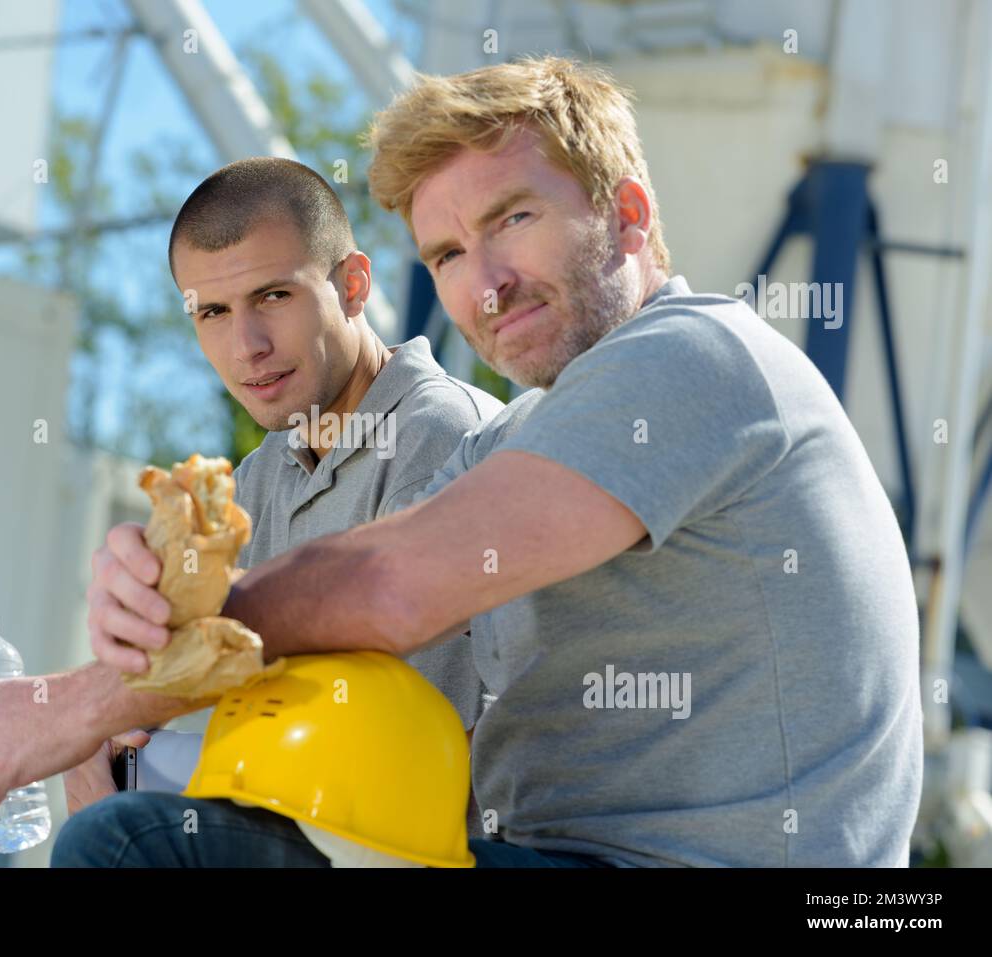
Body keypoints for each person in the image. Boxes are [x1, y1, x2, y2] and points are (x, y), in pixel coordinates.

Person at [74, 56, 923, 868]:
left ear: (627, 215)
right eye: (446, 255)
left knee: (135, 846)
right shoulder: (518, 434)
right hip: (536, 852)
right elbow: (375, 563)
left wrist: (82, 705)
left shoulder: (694, 356)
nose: (485, 285)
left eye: (512, 220)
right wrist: (149, 603)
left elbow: (392, 587)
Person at [0, 157, 502, 850]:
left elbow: (395, 759)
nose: (247, 347)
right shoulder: (258, 479)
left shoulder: (438, 436)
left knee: (116, 839)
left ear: (352, 285)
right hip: (302, 820)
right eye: (213, 312)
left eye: (273, 297)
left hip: (407, 843)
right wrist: (104, 734)